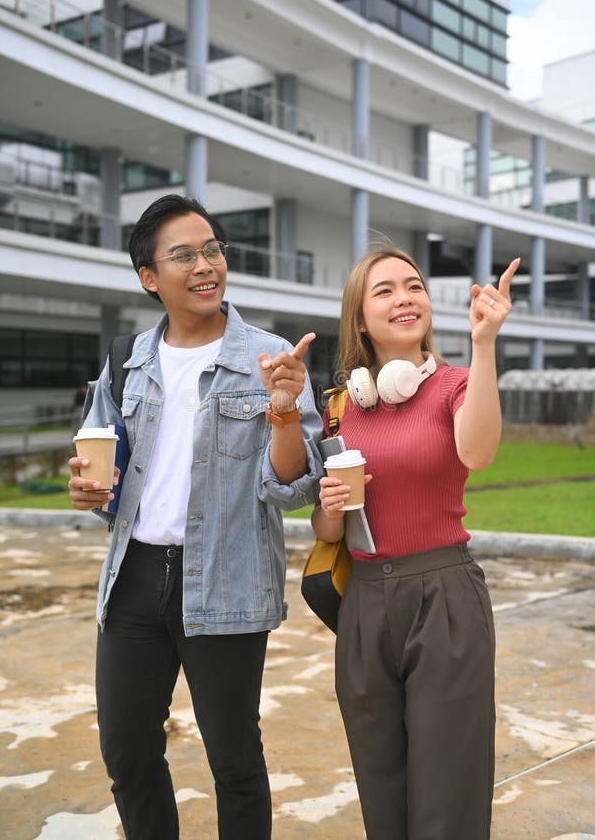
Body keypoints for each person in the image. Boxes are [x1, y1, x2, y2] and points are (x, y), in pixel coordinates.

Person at [67, 194, 324, 840]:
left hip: (226, 577)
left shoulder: (272, 358)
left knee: (234, 761)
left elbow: (292, 491)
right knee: (127, 753)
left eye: (212, 250)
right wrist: (90, 491)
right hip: (133, 578)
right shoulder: (127, 360)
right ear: (149, 277)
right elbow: (104, 469)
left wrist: (283, 413)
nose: (206, 265)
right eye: (184, 255)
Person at [312, 246, 520, 840]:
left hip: (444, 597)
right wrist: (330, 510)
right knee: (381, 786)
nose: (404, 298)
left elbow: (478, 452)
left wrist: (484, 344)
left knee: (447, 791)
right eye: (384, 291)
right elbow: (327, 529)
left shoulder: (455, 386)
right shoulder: (341, 408)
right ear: (359, 318)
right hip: (363, 604)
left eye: (414, 286)